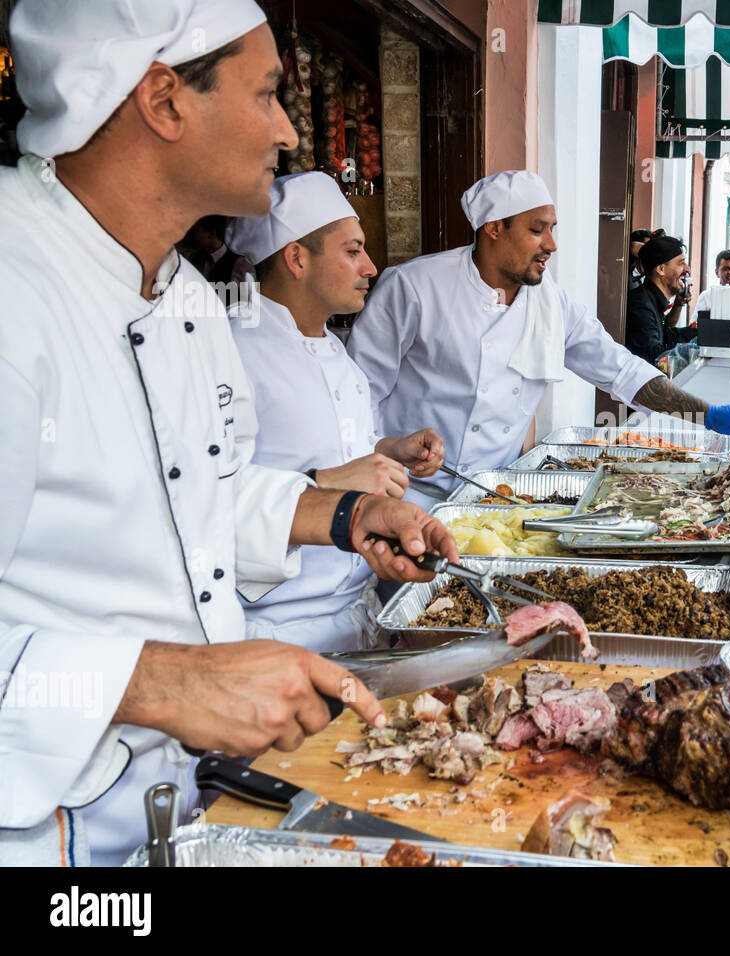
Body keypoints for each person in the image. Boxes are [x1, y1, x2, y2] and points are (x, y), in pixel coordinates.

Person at [0, 0, 455, 866]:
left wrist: (341, 514)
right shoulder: (11, 281)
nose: (288, 131)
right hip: (38, 832)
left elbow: (194, 491)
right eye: (269, 95)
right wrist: (168, 682)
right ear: (165, 101)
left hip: (172, 802)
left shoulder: (186, 299)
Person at [347, 174, 730, 507]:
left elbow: (619, 368)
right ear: (494, 227)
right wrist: (375, 466)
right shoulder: (415, 287)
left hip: (495, 495)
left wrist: (706, 413)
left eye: (552, 229)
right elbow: (357, 393)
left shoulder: (550, 302)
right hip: (405, 494)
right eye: (537, 230)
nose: (552, 245)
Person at [226, 172, 449, 653]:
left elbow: (329, 446)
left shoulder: (336, 351)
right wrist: (334, 481)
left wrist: (388, 450)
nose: (371, 267)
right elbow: (207, 498)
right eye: (353, 251)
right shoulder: (229, 351)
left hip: (360, 612)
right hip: (278, 632)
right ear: (297, 257)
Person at [625, 234, 701, 365]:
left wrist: (707, 334)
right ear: (661, 269)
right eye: (681, 263)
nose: (687, 269)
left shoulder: (649, 300)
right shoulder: (639, 304)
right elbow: (654, 354)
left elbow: (668, 336)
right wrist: (696, 348)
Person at [184, 214, 253, 290]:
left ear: (211, 234)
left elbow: (250, 298)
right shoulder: (193, 259)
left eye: (196, 231)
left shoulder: (240, 264)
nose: (191, 235)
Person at [688, 248, 730, 324]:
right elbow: (693, 326)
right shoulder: (707, 296)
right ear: (717, 273)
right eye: (726, 268)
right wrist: (707, 319)